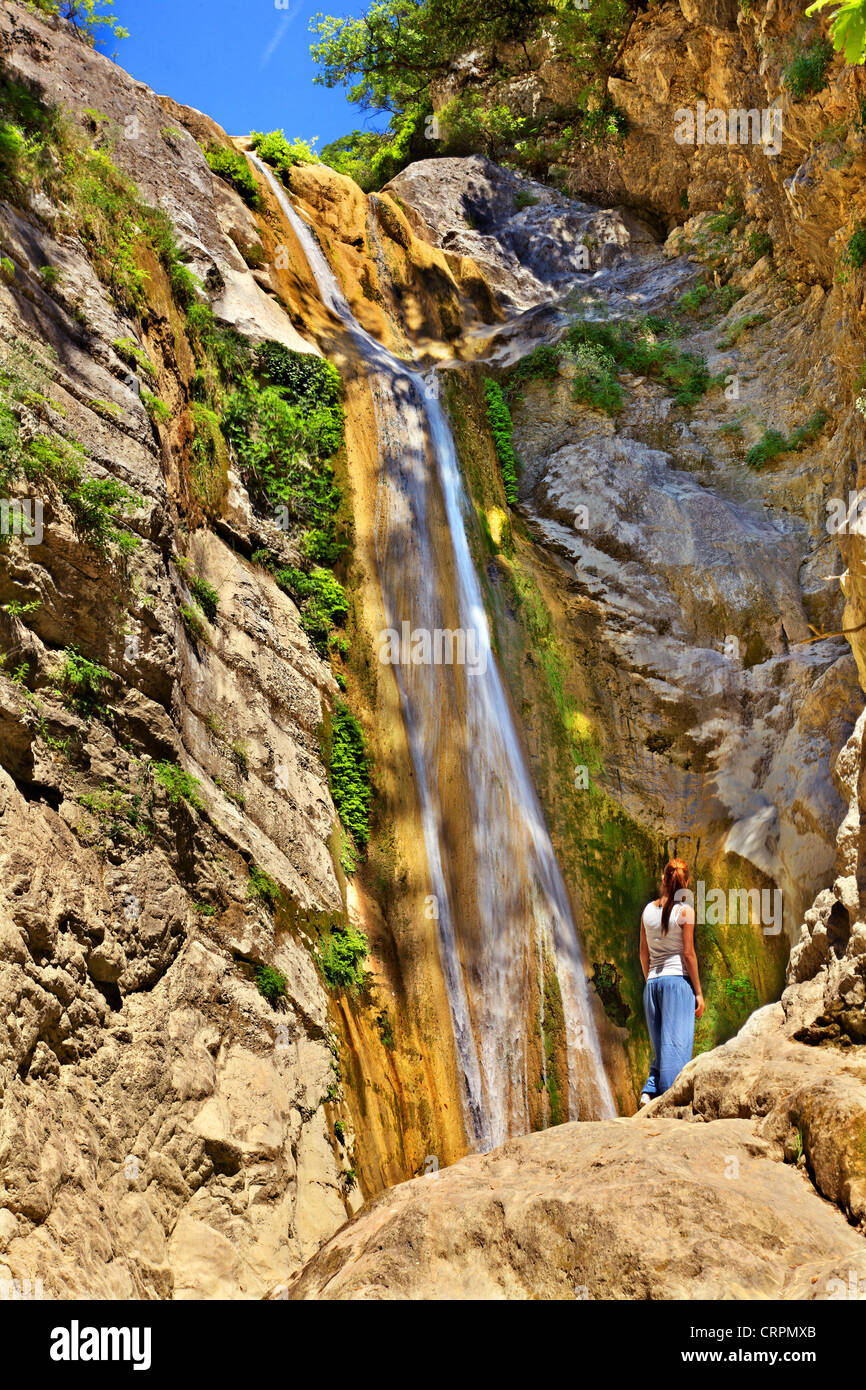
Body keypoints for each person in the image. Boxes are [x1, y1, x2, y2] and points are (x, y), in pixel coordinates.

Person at [638, 857, 704, 1107]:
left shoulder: (647, 911)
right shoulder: (685, 912)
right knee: (675, 1050)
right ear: (685, 883)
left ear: (663, 879)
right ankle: (667, 1108)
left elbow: (643, 953)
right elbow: (688, 954)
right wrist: (697, 992)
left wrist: (650, 983)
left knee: (661, 1049)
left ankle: (648, 1093)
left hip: (653, 983)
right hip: (677, 984)